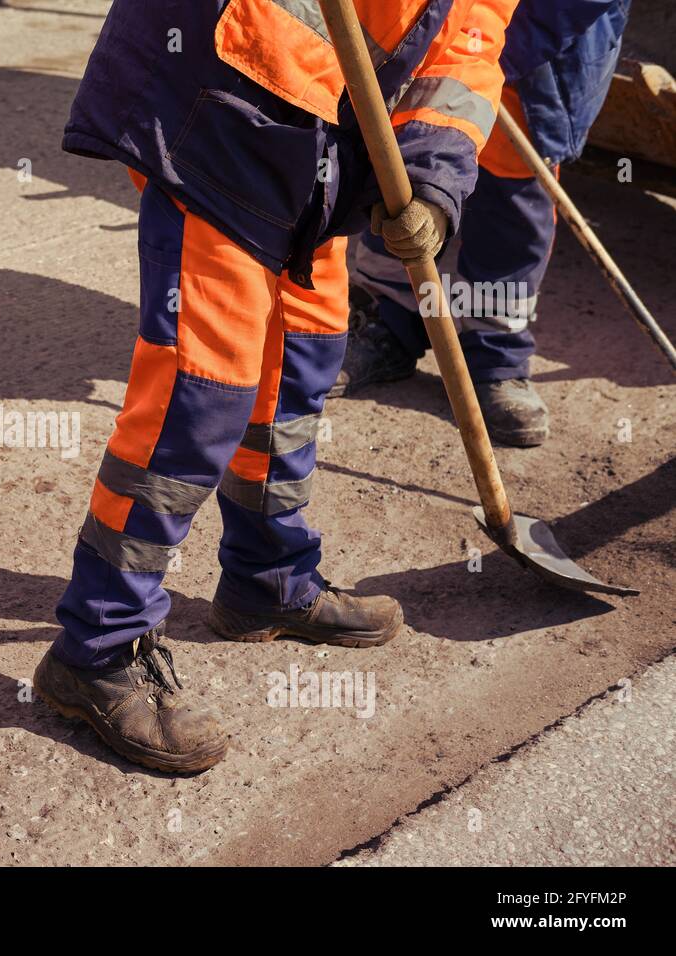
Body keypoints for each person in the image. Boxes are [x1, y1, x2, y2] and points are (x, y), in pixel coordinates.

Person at [33, 0, 516, 774]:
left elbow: (463, 52)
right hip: (222, 112)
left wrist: (432, 186)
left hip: (326, 154)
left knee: (302, 361)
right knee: (202, 388)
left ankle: (267, 578)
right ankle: (97, 647)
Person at [337, 0, 631, 447]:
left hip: (540, 41)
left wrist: (500, 51)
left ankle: (497, 355)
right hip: (440, 26)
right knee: (406, 162)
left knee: (512, 192)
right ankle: (388, 320)